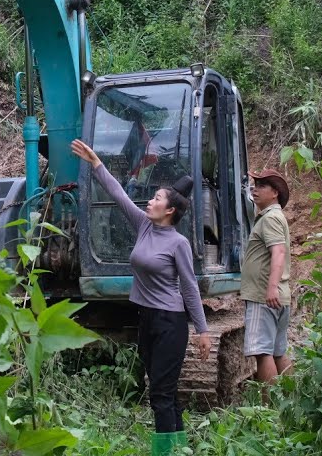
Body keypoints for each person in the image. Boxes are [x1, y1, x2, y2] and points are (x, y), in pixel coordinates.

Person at [70, 138, 211, 454]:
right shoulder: (145, 226)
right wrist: (96, 163)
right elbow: (118, 195)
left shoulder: (178, 243)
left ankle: (164, 452)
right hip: (146, 319)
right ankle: (178, 449)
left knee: (160, 394)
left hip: (170, 322)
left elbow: (189, 287)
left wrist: (202, 330)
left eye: (156, 198)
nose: (150, 200)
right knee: (165, 391)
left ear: (169, 210)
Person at [241, 168, 292, 383]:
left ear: (275, 193)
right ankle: (291, 398)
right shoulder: (274, 217)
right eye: (255, 185)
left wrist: (270, 288)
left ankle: (269, 404)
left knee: (262, 352)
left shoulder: (270, 219)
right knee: (278, 352)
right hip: (278, 295)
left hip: (264, 296)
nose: (255, 190)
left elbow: (278, 252)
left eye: (262, 186)